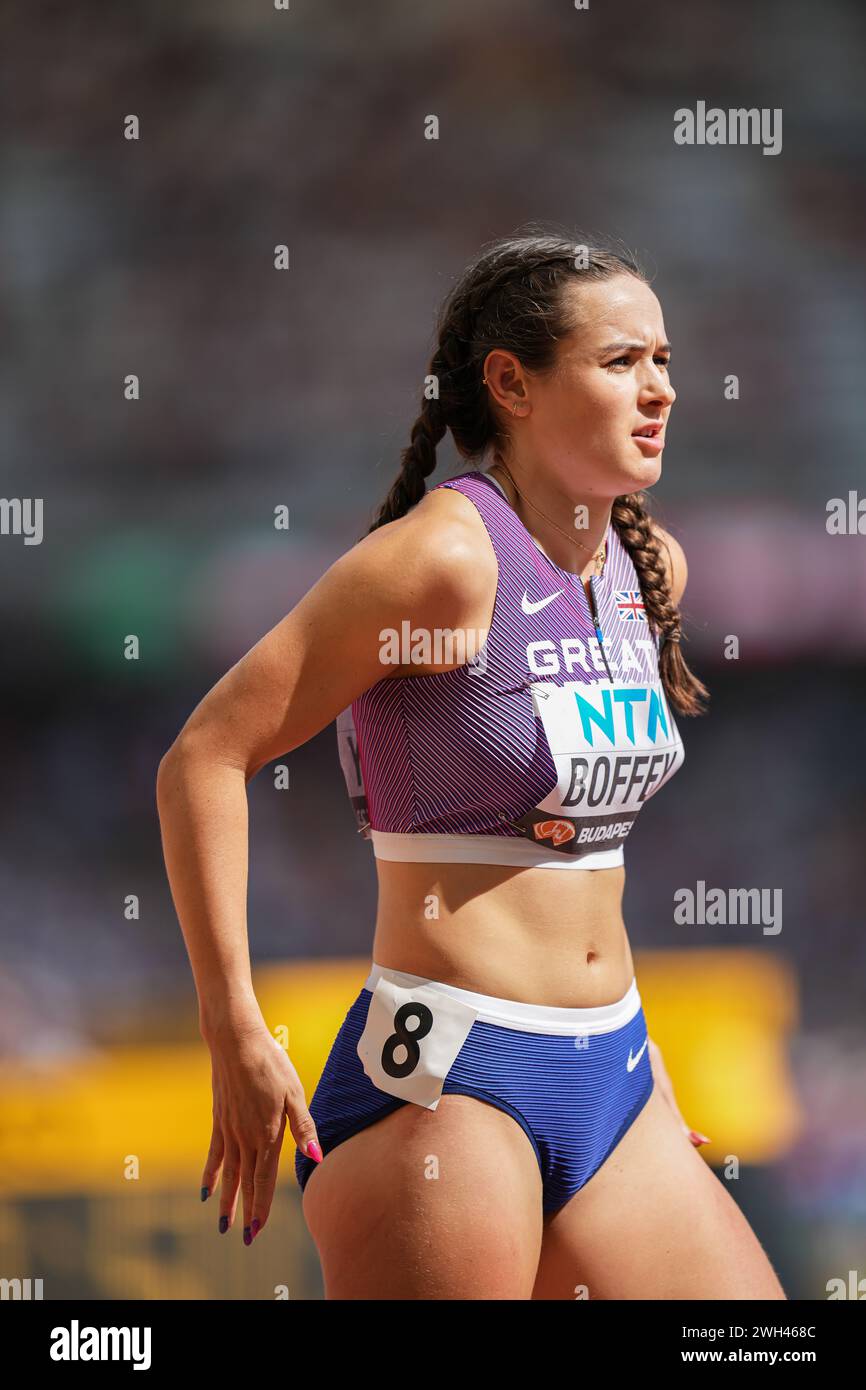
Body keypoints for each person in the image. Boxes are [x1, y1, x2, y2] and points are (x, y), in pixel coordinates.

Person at [157, 230, 787, 1300]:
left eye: (665, 361)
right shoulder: (442, 559)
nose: (660, 390)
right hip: (447, 1078)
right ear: (511, 383)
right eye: (620, 360)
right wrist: (233, 1025)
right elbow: (205, 757)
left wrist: (636, 1058)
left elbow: (582, 862)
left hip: (616, 1072)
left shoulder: (647, 566)